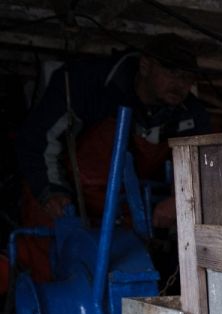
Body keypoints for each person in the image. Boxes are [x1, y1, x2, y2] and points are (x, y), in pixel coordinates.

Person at [12, 34, 210, 283]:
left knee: (130, 269)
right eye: (172, 73)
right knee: (50, 263)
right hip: (68, 197)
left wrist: (180, 199)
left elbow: (203, 166)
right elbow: (37, 140)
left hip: (123, 207)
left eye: (188, 78)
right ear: (145, 66)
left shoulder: (191, 115)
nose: (180, 85)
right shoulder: (86, 83)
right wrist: (50, 191)